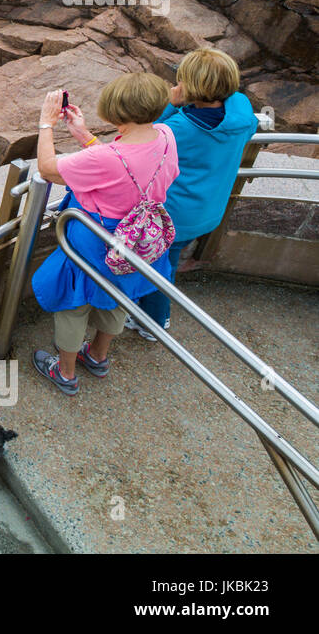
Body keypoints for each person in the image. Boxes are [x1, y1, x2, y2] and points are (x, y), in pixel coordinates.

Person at [31, 75, 180, 396]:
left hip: (96, 244)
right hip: (139, 242)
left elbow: (46, 168)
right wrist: (84, 135)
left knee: (74, 305)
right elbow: (128, 166)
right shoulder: (166, 135)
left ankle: (65, 371)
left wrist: (46, 124)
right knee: (119, 297)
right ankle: (98, 355)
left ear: (116, 113)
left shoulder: (104, 159)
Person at [128, 49, 258, 340]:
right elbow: (239, 120)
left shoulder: (178, 128)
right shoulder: (241, 110)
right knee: (165, 261)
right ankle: (149, 312)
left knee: (159, 268)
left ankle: (153, 322)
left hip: (174, 217)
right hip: (209, 210)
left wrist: (170, 104)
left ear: (191, 88)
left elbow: (139, 138)